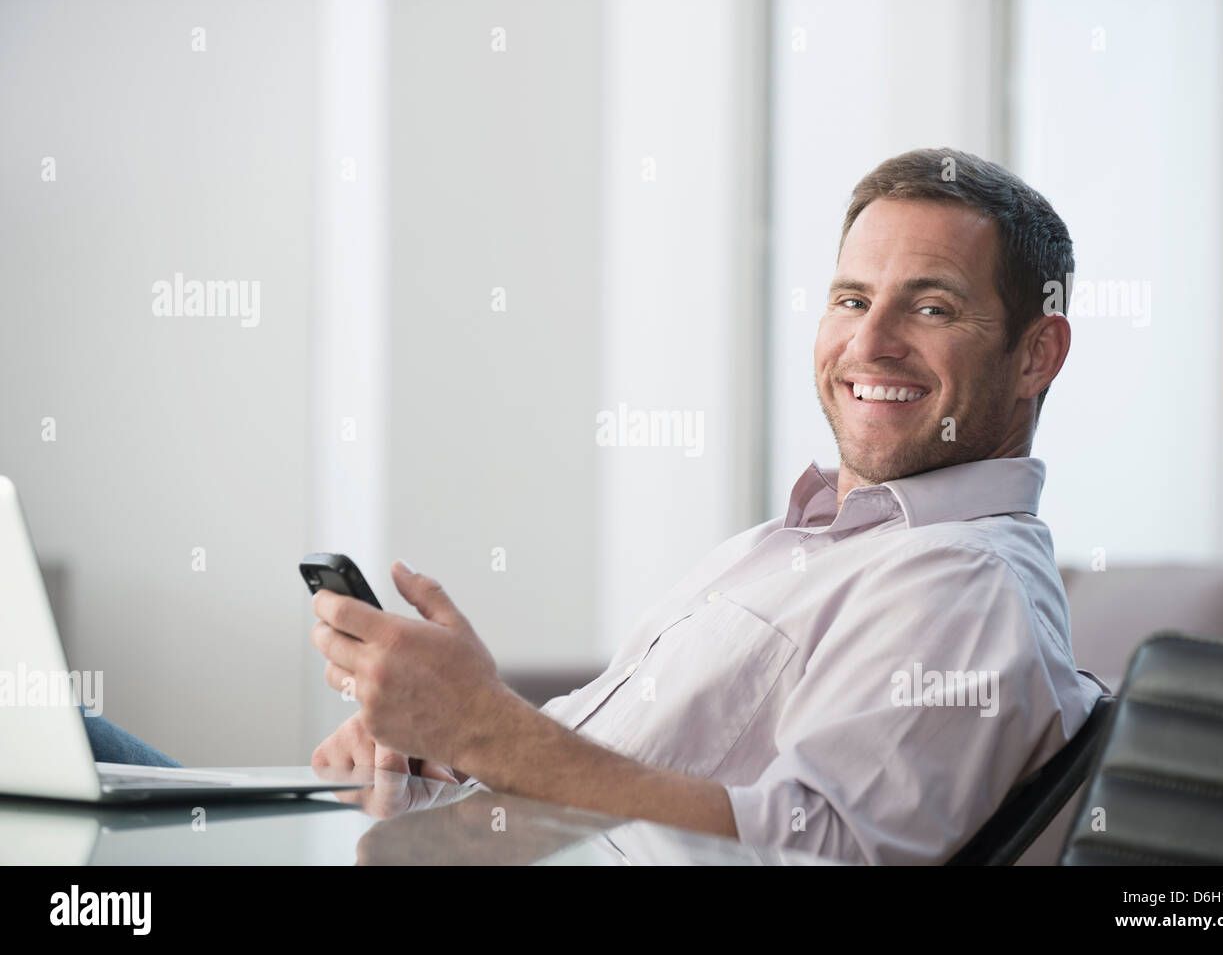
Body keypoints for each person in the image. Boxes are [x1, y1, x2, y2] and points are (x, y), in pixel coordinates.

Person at [89, 146, 1108, 864]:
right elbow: (598, 775)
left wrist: (489, 732)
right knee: (73, 771)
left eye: (929, 306)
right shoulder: (789, 544)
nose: (869, 341)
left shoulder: (963, 582)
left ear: (1034, 353)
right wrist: (435, 750)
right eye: (850, 299)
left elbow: (822, 854)